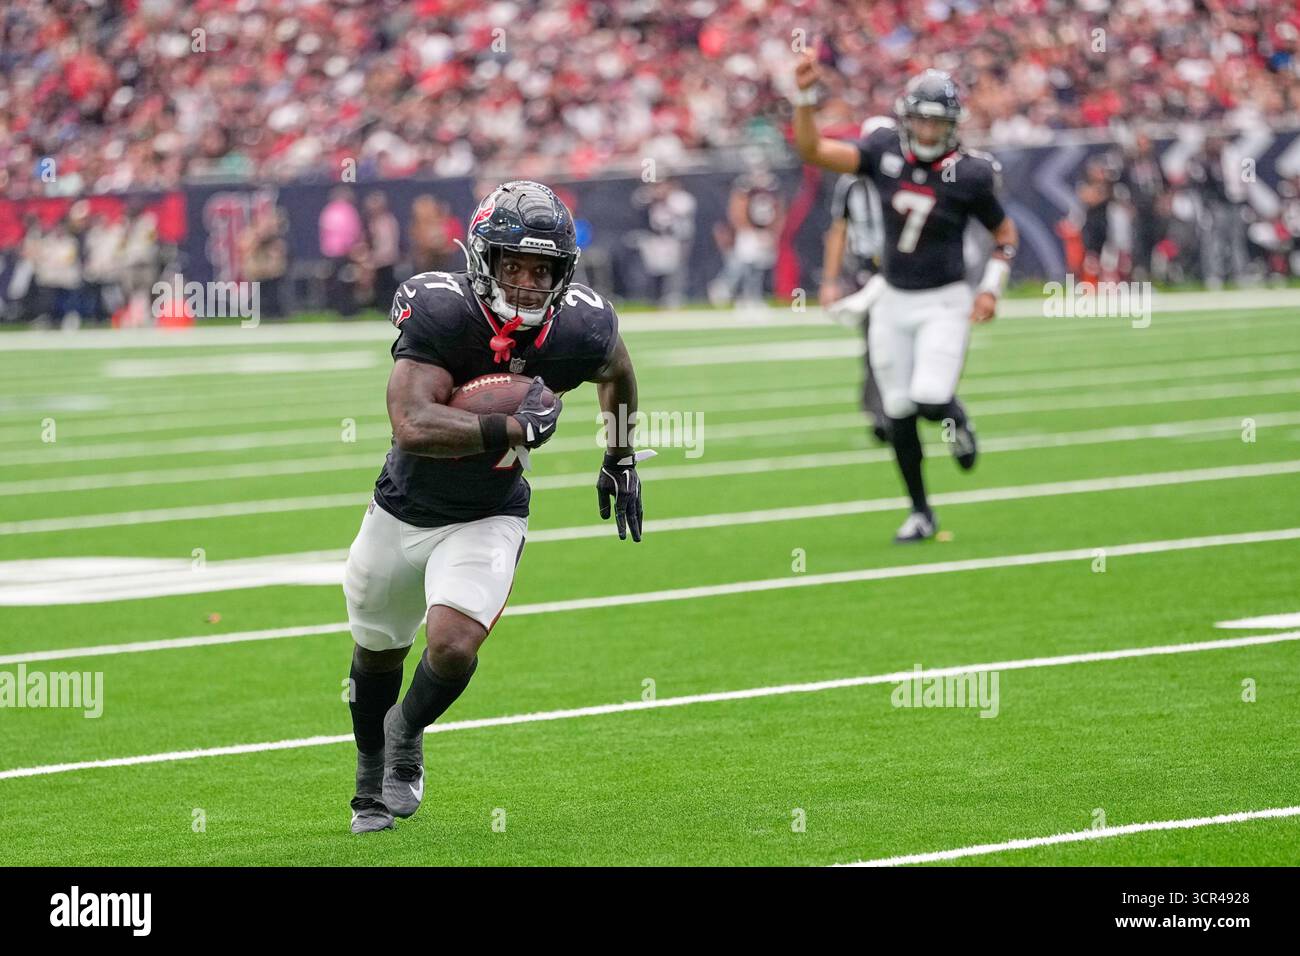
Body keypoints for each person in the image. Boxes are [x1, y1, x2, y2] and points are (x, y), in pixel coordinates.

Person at [344, 181, 646, 833]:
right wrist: (507, 429)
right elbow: (410, 421)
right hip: (402, 508)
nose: (529, 281)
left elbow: (618, 370)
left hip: (488, 512)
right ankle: (369, 773)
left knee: (452, 647)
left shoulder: (579, 327)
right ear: (484, 260)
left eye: (543, 269)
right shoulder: (443, 313)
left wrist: (618, 454)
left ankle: (406, 733)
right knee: (376, 655)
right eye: (514, 264)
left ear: (563, 274)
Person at [793, 57, 1019, 543]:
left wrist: (991, 287)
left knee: (931, 398)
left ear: (954, 124)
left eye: (939, 120)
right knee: (896, 411)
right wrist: (805, 98)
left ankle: (956, 418)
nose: (930, 128)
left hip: (944, 300)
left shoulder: (973, 174)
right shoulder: (882, 151)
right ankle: (920, 512)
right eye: (922, 117)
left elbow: (1004, 234)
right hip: (892, 299)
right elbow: (811, 149)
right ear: (906, 116)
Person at [820, 128, 889, 443]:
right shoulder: (850, 184)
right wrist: (830, 280)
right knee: (876, 341)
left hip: (904, 271)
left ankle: (897, 406)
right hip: (868, 270)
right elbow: (839, 230)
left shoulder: (903, 176)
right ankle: (879, 412)